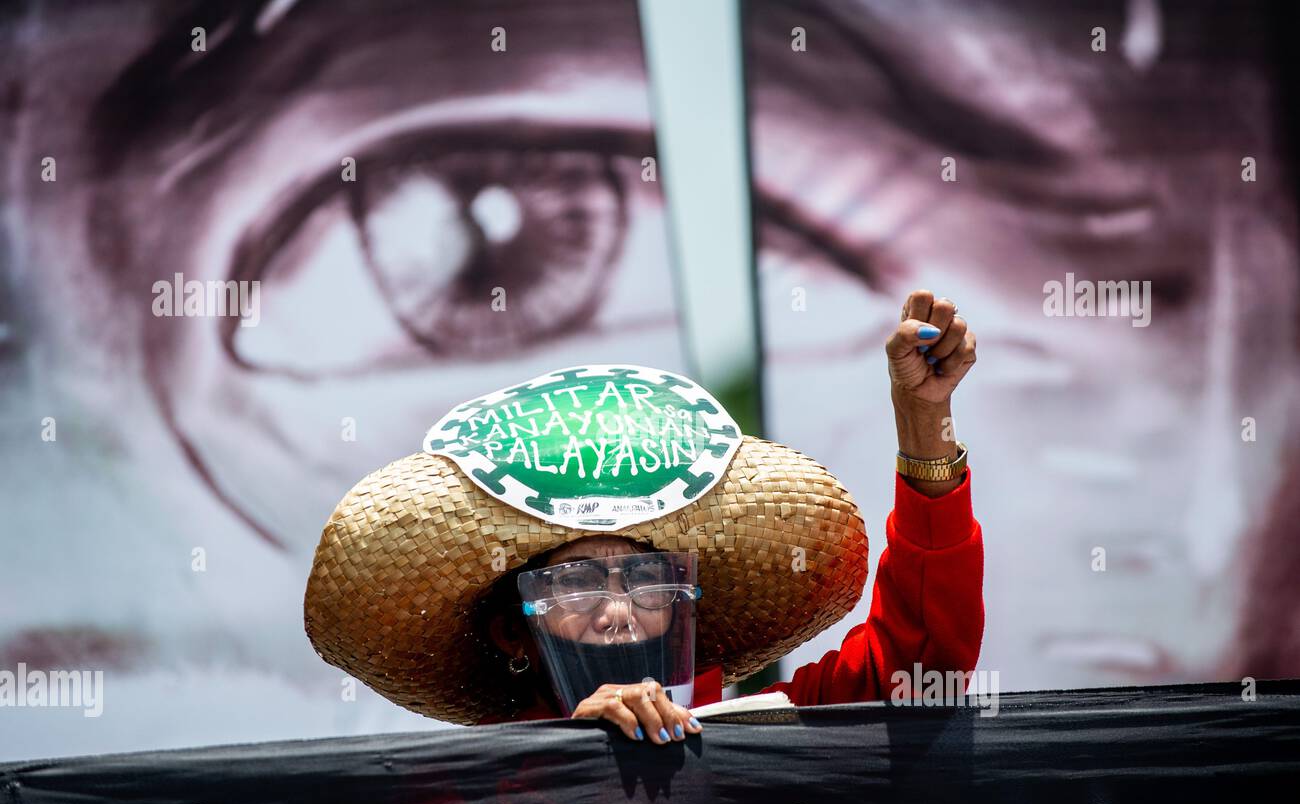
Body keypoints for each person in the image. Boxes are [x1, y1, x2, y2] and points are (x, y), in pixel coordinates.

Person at [304, 290, 982, 742]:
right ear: (513, 631)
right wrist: (572, 760)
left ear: (687, 603)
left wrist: (925, 416)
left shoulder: (772, 732)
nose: (619, 607)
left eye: (647, 577)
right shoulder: (463, 802)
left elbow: (922, 666)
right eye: (578, 583)